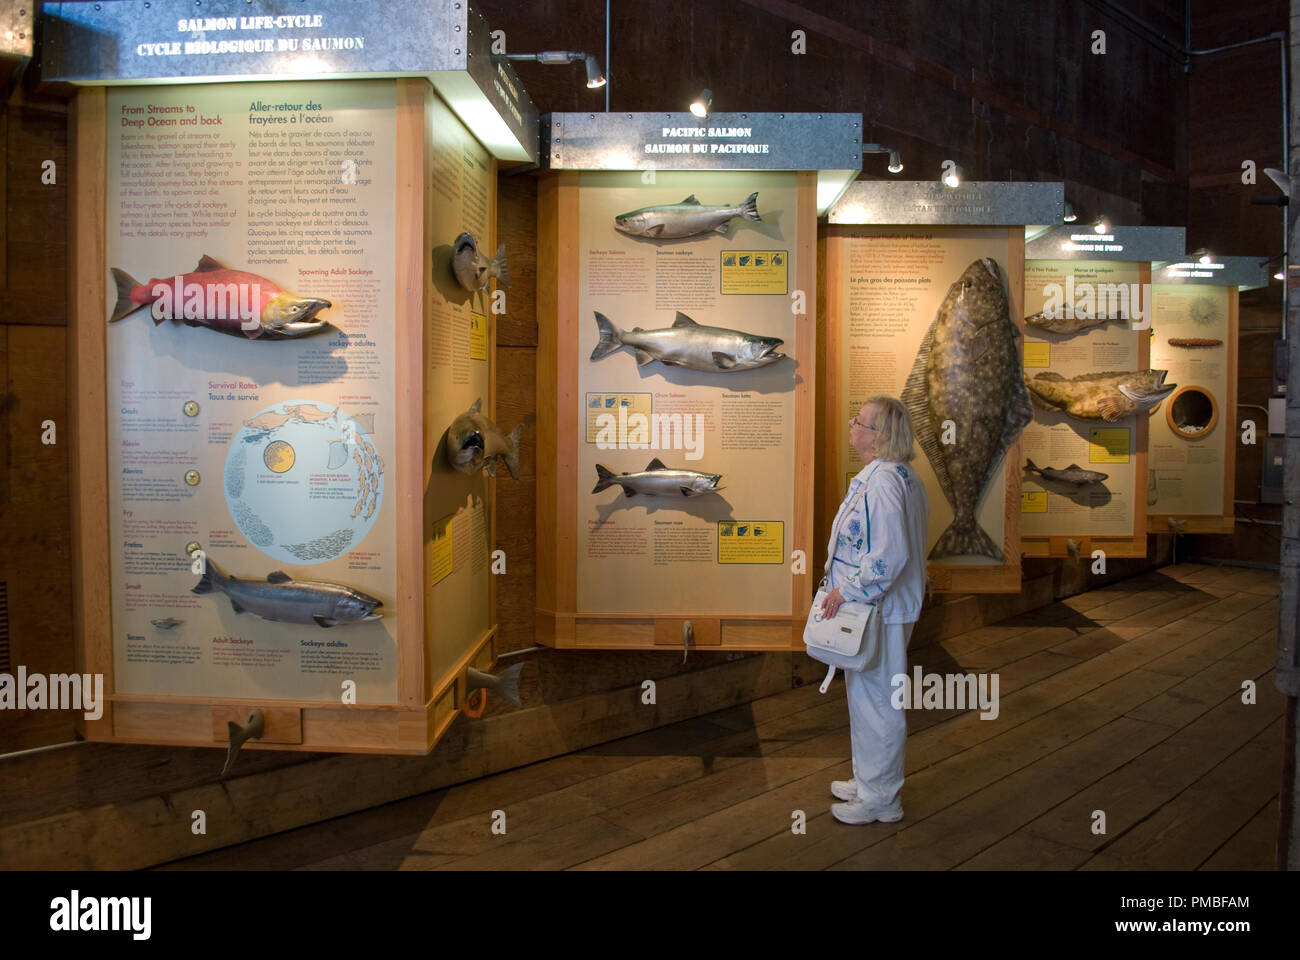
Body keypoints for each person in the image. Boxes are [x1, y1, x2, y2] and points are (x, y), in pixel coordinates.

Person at [820, 395, 929, 824]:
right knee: (867, 697)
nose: (852, 424)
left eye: (859, 421)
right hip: (881, 608)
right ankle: (869, 778)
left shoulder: (884, 482)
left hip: (877, 608)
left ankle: (881, 797)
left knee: (878, 701)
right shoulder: (898, 475)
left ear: (878, 436)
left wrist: (846, 590)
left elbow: (890, 554)